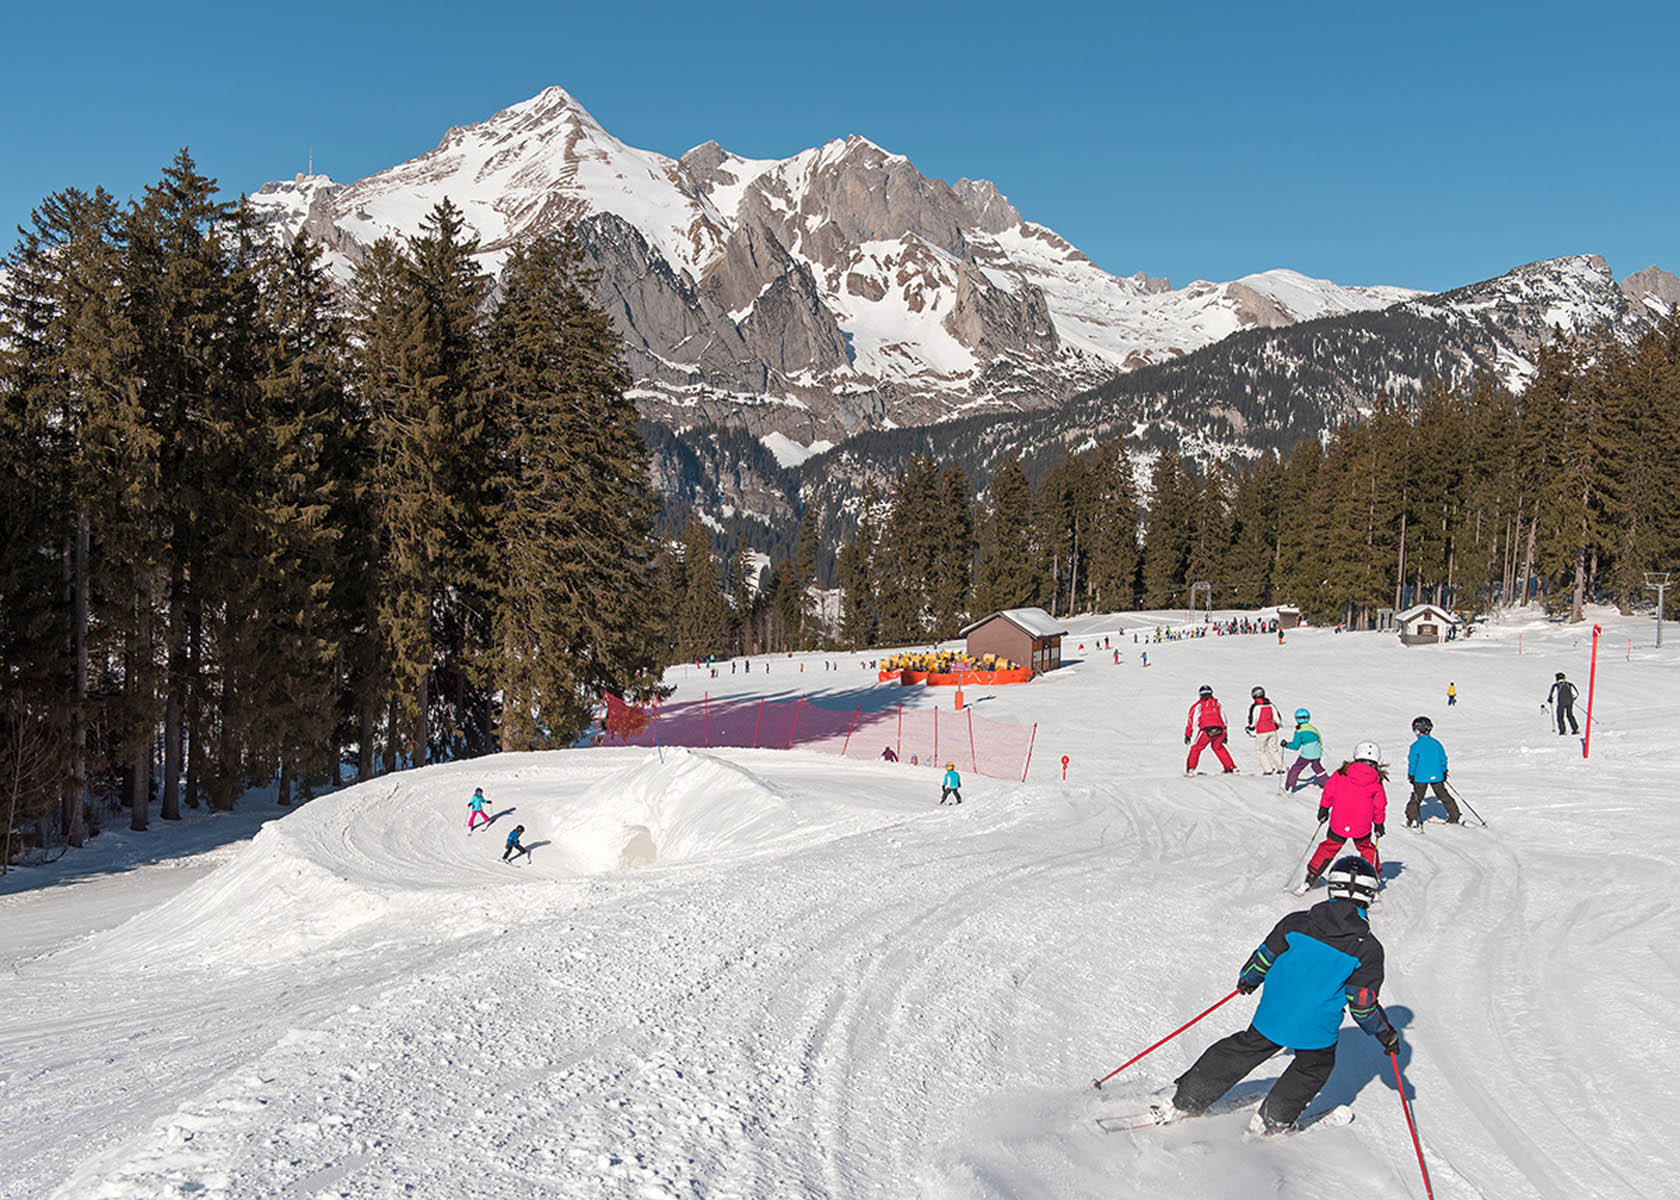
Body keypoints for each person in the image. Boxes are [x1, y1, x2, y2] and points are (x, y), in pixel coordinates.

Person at [1153, 856, 1399, 1136]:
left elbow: (1265, 956)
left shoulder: (1296, 923)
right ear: (1369, 895)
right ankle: (1274, 1120)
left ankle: (1187, 1098)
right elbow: (1363, 1005)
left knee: (1245, 1048)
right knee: (1314, 1066)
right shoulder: (1367, 949)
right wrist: (1385, 1033)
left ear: (1332, 888)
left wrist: (1249, 978)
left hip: (1273, 1012)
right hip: (1316, 1027)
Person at [1295, 741, 1386, 893]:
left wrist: (1324, 808)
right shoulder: (1375, 781)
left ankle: (1311, 877)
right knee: (1367, 849)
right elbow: (1380, 805)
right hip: (1361, 825)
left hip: (1339, 821)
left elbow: (1329, 792)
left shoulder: (1341, 773)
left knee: (1329, 846)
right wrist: (1379, 824)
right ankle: (1371, 880)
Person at [1405, 717, 1460, 828]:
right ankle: (1454, 815)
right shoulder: (1436, 743)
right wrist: (1444, 771)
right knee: (1443, 795)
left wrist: (1411, 774)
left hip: (1420, 777)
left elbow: (1413, 762)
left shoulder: (1415, 746)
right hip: (1437, 775)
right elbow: (1443, 759)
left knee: (1416, 797)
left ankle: (1412, 818)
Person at [1184, 685, 1237, 775]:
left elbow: (1191, 721)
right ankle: (1230, 767)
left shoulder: (1198, 705)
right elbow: (1224, 719)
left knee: (1196, 748)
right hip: (1220, 730)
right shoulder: (1217, 704)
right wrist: (1225, 734)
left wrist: (1188, 735)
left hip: (1206, 730)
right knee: (1218, 747)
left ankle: (1190, 768)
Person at [1281, 709, 1328, 791]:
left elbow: (1296, 746)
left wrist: (1286, 745)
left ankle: (1289, 786)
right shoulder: (1313, 728)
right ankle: (1325, 783)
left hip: (1306, 754)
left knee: (1296, 768)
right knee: (1317, 767)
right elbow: (1320, 740)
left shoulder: (1299, 731)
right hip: (1317, 752)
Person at [1246, 687, 1285, 775]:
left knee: (1261, 750)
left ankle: (1268, 769)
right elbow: (1277, 718)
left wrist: (1251, 727)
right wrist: (1277, 724)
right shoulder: (1271, 705)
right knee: (1274, 749)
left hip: (1262, 731)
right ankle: (1282, 767)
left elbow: (1254, 719)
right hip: (1272, 730)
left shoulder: (1256, 706)